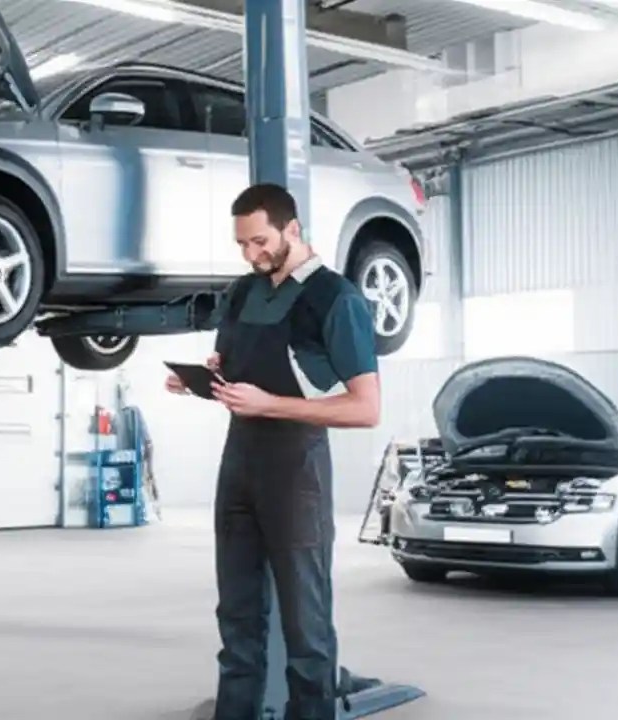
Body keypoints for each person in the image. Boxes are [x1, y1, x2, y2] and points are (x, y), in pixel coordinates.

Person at [166, 183, 381, 720]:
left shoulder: (337, 298)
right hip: (239, 461)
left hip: (296, 469)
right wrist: (205, 379)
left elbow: (364, 408)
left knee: (306, 628)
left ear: (292, 229)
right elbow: (236, 367)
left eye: (260, 241)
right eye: (241, 244)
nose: (251, 254)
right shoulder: (243, 292)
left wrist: (270, 404)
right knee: (237, 620)